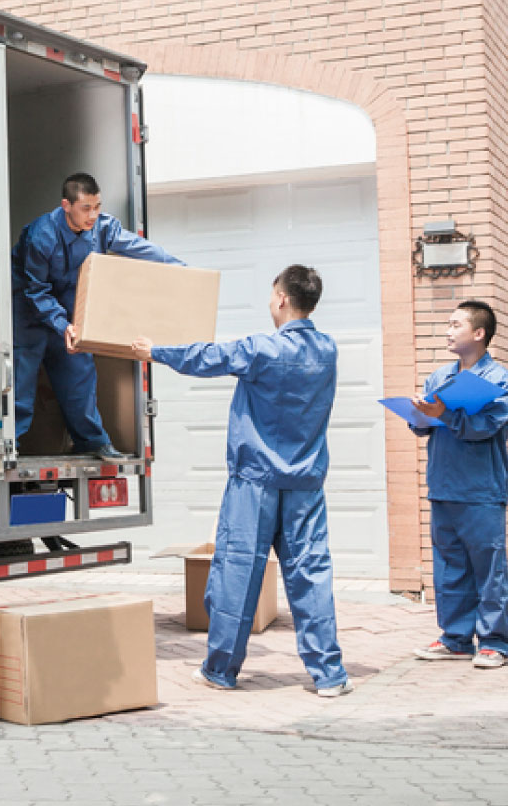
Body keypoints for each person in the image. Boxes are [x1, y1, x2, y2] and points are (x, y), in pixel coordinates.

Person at [131, 265, 351, 697]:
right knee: (311, 575)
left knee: (238, 574)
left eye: (272, 295)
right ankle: (330, 675)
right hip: (305, 483)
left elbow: (208, 358)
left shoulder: (262, 349)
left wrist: (154, 351)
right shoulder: (327, 350)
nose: (271, 303)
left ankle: (221, 669)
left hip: (256, 482)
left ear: (283, 298)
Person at [12, 172, 182, 459]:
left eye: (97, 207)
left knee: (79, 370)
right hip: (30, 307)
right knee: (23, 373)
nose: (93, 215)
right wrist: (62, 324)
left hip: (67, 302)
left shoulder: (103, 228)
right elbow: (36, 290)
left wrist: (179, 268)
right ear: (67, 205)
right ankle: (12, 443)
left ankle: (92, 442)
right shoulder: (42, 235)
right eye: (86, 208)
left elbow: (139, 248)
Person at [408, 300, 508, 669]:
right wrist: (421, 416)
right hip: (443, 486)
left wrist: (446, 414)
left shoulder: (501, 381)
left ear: (479, 333)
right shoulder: (439, 378)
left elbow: (487, 427)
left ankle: (494, 641)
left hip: (481, 490)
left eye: (455, 324)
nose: (447, 330)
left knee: (488, 568)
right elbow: (421, 426)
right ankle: (455, 638)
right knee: (449, 567)